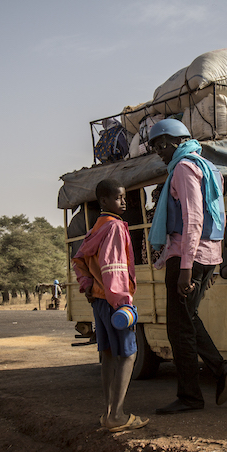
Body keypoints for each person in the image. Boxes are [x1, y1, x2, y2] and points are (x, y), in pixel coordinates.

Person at [147, 118, 227, 414]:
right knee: (190, 318)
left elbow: (195, 218)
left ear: (174, 142)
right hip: (205, 256)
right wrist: (214, 262)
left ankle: (190, 397)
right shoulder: (210, 167)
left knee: (179, 329)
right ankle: (221, 369)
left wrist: (186, 268)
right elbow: (219, 217)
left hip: (188, 256)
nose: (158, 152)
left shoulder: (184, 168)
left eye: (160, 145)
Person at [72, 178, 148, 432]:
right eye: (118, 198)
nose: (124, 202)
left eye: (125, 197)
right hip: (114, 303)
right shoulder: (115, 227)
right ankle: (117, 415)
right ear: (103, 200)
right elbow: (114, 269)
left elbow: (79, 260)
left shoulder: (97, 227)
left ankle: (107, 413)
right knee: (128, 354)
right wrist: (123, 304)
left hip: (98, 302)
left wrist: (86, 288)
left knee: (106, 355)